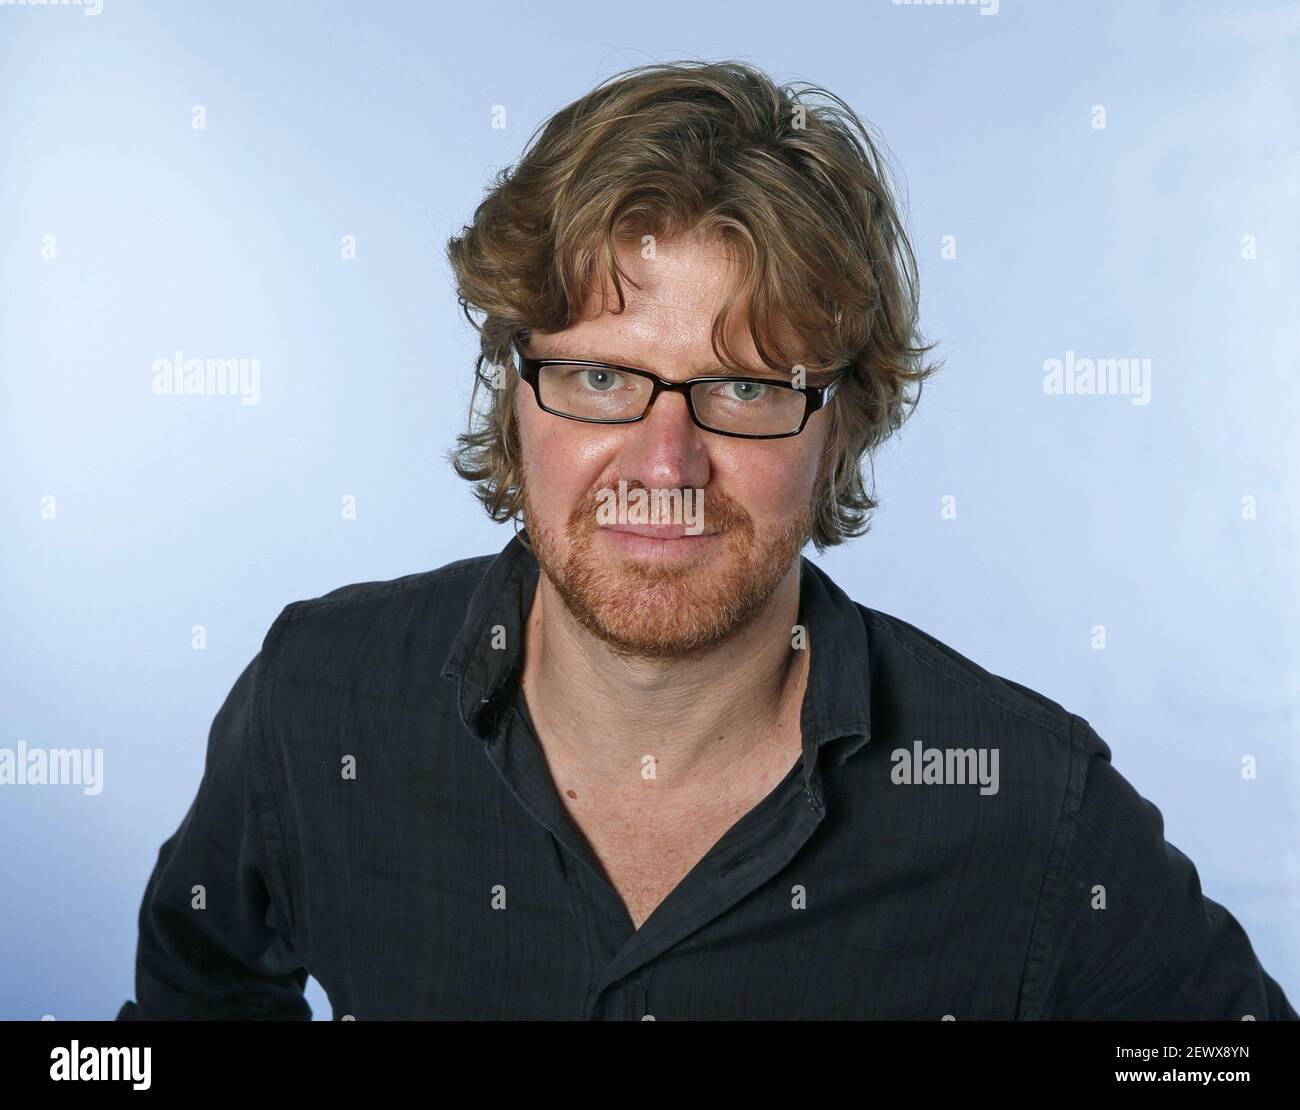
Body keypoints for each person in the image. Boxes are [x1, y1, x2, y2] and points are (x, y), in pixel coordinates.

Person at [118, 60, 1296, 1020]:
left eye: (740, 389)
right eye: (597, 374)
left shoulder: (1031, 805)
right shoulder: (318, 699)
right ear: (513, 397)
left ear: (840, 425)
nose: (664, 462)